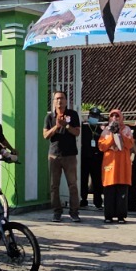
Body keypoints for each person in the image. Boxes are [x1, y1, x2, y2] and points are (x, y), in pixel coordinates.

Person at [44, 90, 81, 222]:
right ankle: (57, 211)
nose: (59, 101)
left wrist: (67, 126)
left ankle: (74, 211)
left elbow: (77, 132)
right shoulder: (49, 117)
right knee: (54, 186)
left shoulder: (73, 114)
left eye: (62, 98)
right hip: (54, 155)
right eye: (57, 99)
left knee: (73, 184)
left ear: (66, 101)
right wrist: (57, 126)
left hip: (70, 155)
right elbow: (45, 135)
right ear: (54, 101)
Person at [99, 108, 134, 223]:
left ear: (121, 117)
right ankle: (108, 216)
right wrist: (111, 135)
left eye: (117, 116)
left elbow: (130, 144)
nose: (115, 118)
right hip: (110, 165)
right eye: (112, 116)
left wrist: (119, 133)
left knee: (122, 191)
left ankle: (121, 216)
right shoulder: (106, 131)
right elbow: (101, 146)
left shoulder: (127, 130)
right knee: (109, 191)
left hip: (123, 166)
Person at [80, 107, 105, 209]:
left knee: (97, 181)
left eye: (96, 116)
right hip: (85, 157)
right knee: (83, 179)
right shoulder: (84, 127)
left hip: (97, 158)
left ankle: (98, 202)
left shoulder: (101, 130)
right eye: (92, 116)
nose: (94, 118)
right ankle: (83, 199)